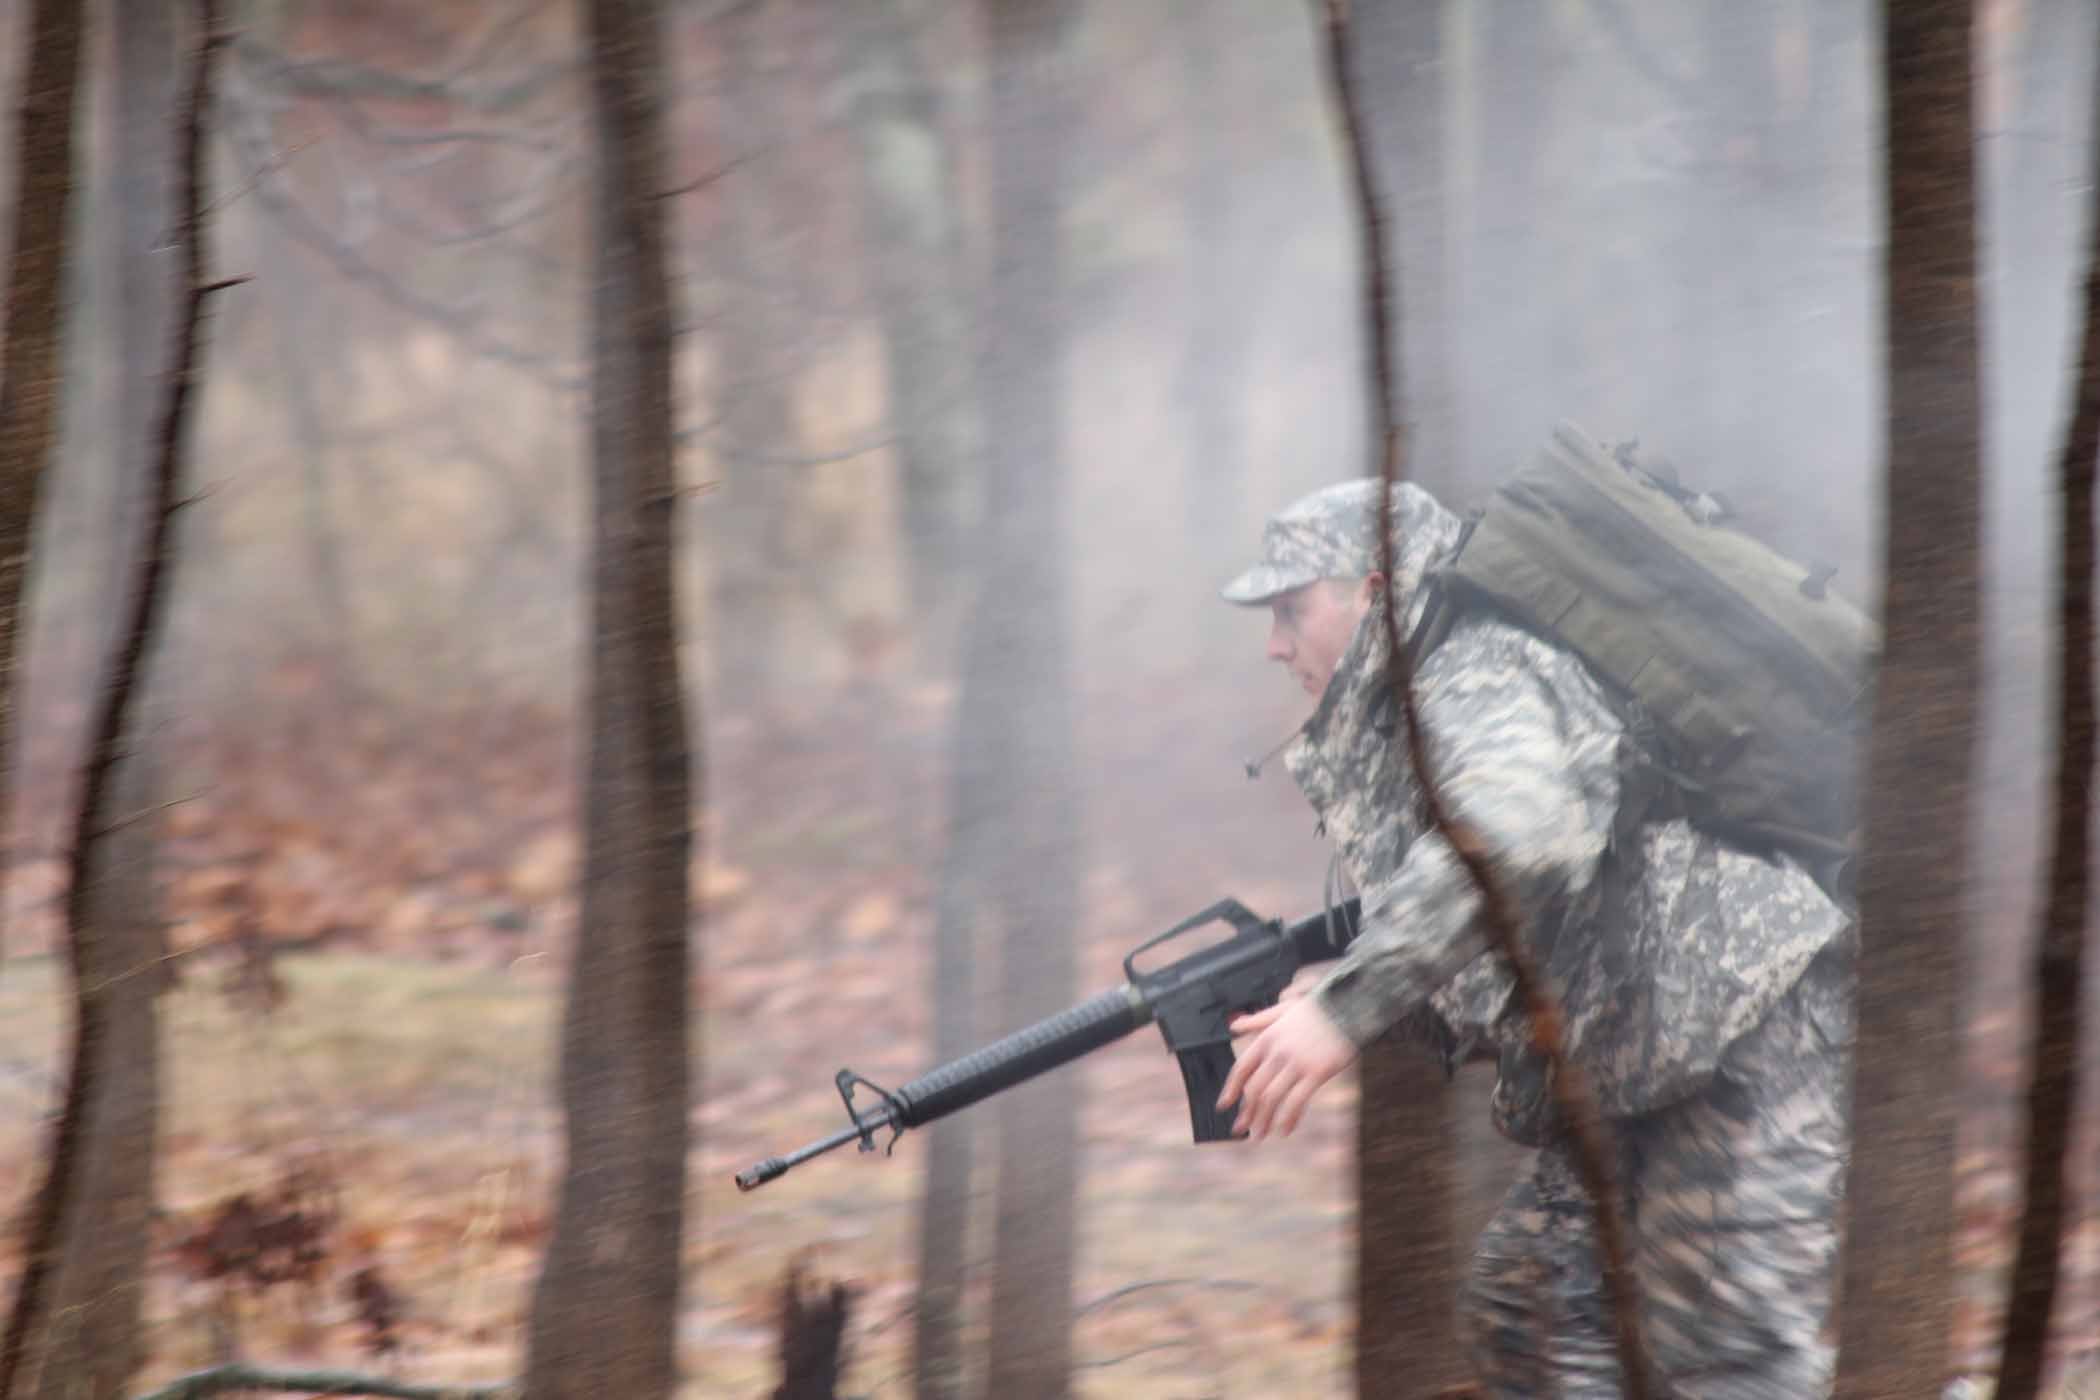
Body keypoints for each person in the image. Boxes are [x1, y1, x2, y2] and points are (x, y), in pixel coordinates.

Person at [1213, 477, 1857, 1398]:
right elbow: (1510, 944)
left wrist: (1343, 1011)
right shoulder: (1415, 710)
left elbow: (1522, 837)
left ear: (1377, 587)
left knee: (1731, 1360)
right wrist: (1357, 1004)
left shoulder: (1478, 669)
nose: (1276, 645)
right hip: (1644, 1057)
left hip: (1747, 1032)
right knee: (1536, 1320)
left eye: (1291, 608)